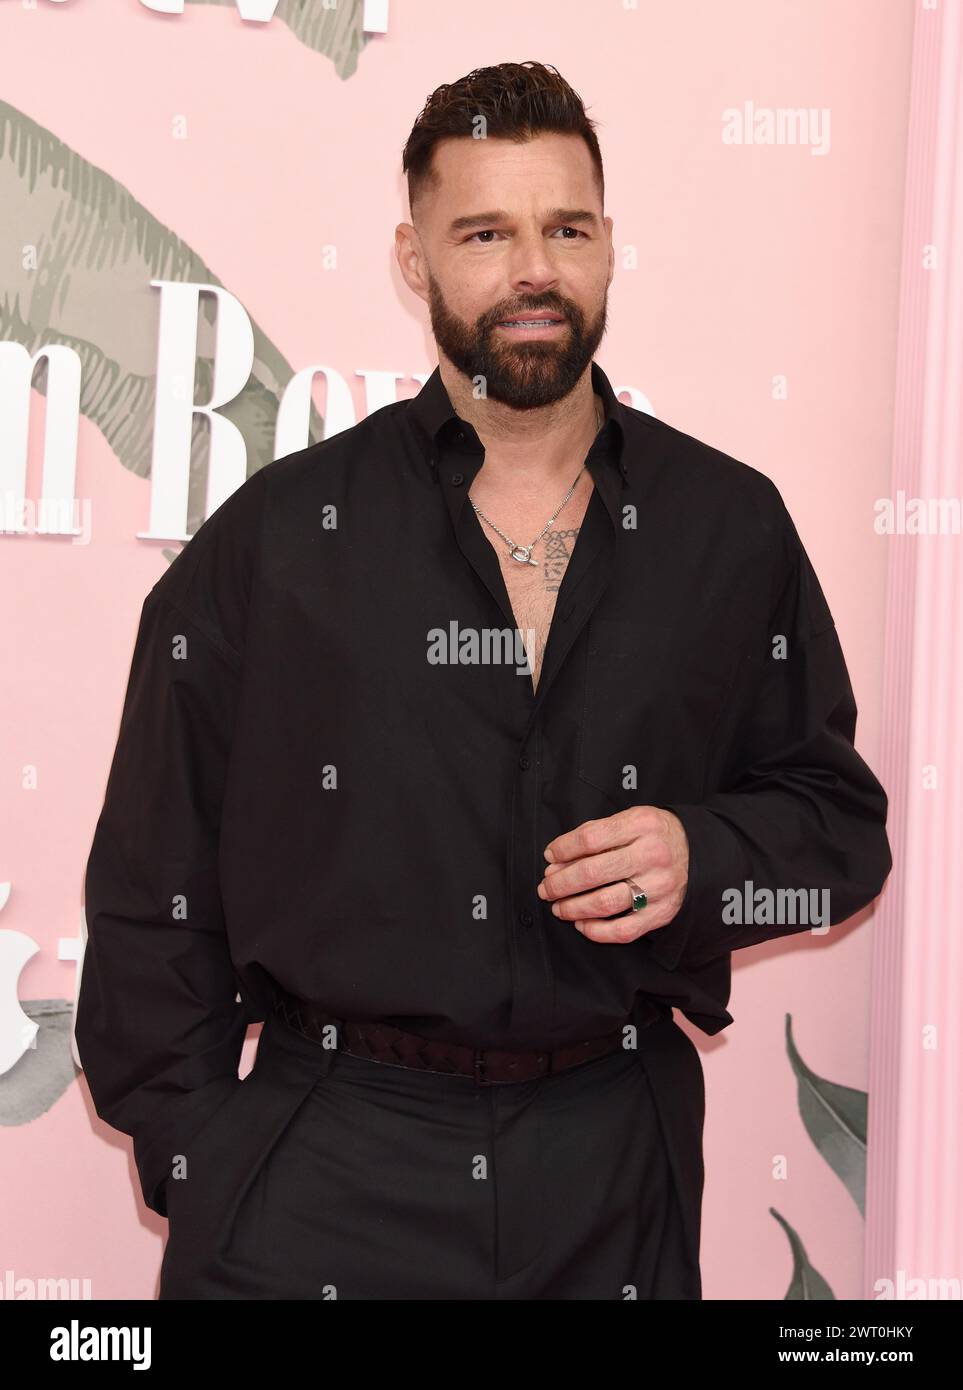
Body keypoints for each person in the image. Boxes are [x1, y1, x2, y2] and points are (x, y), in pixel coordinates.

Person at [75, 61, 892, 1301]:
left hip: (613, 1164)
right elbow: (151, 887)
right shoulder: (279, 540)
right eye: (485, 232)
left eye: (566, 228)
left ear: (609, 242)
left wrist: (704, 853)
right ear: (414, 258)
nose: (534, 272)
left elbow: (839, 829)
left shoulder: (729, 526)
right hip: (322, 1164)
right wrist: (211, 1156)